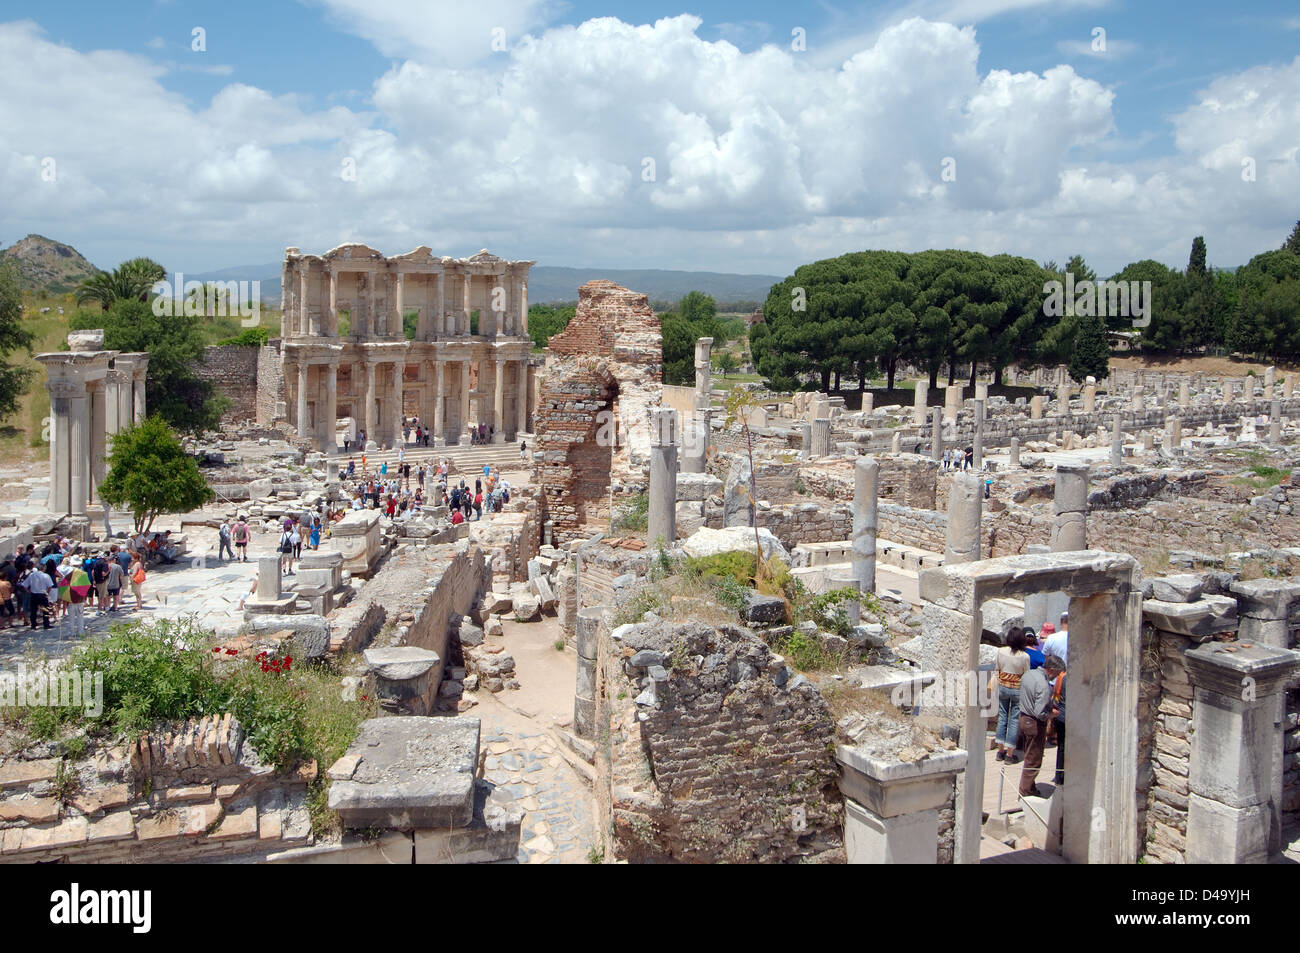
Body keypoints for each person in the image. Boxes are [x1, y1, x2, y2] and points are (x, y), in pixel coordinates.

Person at [1018, 654, 1066, 798]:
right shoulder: (1044, 686)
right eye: (1057, 673)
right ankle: (1026, 792)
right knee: (1034, 760)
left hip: (1023, 718)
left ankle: (1030, 787)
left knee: (1028, 755)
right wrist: (1052, 714)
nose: (1057, 677)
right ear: (1051, 670)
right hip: (1034, 723)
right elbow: (1040, 713)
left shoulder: (1028, 674)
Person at [993, 627, 1030, 764]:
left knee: (1002, 716)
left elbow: (996, 669)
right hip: (1017, 689)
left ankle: (1000, 751)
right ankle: (1009, 754)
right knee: (1014, 720)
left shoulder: (1001, 652)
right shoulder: (1025, 656)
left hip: (1003, 686)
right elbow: (1026, 675)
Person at [22, 562, 55, 629]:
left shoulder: (32, 575)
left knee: (33, 611)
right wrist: (47, 593)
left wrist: (29, 592)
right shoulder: (46, 575)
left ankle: (33, 625)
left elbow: (24, 585)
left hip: (34, 595)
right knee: (45, 610)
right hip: (42, 594)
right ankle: (46, 624)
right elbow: (50, 586)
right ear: (44, 568)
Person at [1050, 660, 1067, 786]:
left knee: (1061, 748)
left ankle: (1059, 776)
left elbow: (1055, 699)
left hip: (1061, 716)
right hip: (1071, 717)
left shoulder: (1062, 678)